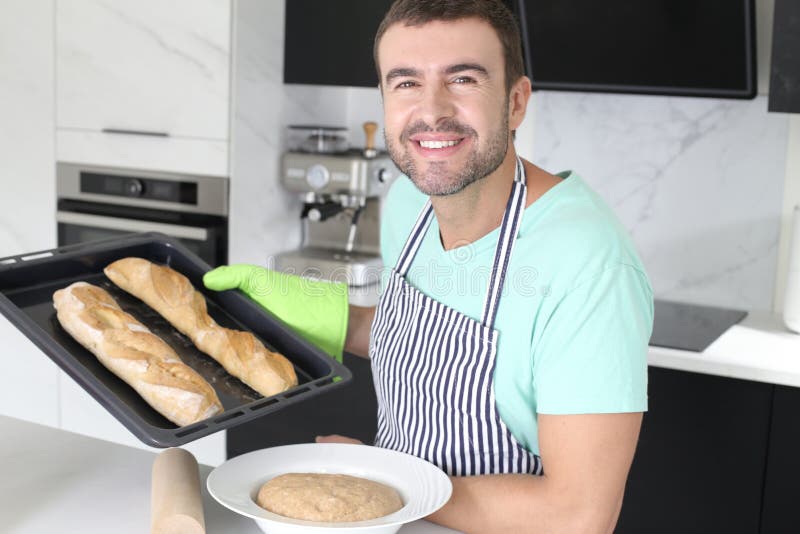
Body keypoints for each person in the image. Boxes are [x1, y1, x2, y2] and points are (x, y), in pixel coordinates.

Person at [204, 1, 653, 532]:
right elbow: (424, 341)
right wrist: (326, 317)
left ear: (515, 102)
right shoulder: (408, 202)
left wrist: (384, 482)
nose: (431, 110)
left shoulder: (588, 265)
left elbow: (578, 515)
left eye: (462, 79)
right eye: (406, 83)